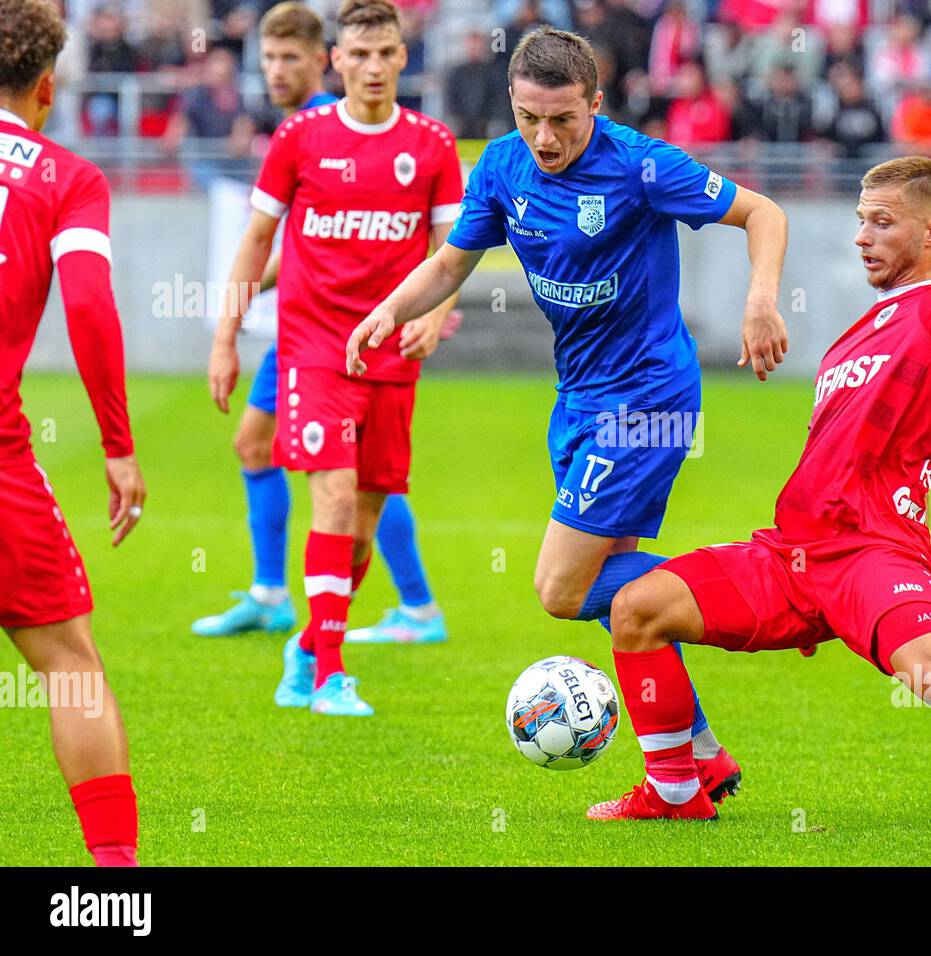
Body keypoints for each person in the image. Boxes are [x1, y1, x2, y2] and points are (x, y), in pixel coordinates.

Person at [585, 157, 931, 839]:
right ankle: (675, 790)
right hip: (788, 558)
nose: (863, 235)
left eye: (883, 222)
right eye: (861, 220)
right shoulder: (855, 335)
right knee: (637, 609)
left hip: (873, 556)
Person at [346, 27, 790, 801]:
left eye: (562, 120)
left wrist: (759, 301)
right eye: (528, 118)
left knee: (559, 588)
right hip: (579, 397)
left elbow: (764, 214)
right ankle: (691, 768)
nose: (544, 138)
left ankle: (764, 592)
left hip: (646, 398)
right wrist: (387, 310)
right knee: (617, 603)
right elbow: (454, 259)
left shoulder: (641, 164)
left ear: (595, 103)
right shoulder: (501, 165)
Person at [207, 0, 463, 715]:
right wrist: (226, 339)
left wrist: (436, 314)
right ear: (338, 61)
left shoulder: (434, 145)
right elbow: (257, 244)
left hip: (392, 351)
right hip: (314, 349)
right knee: (335, 496)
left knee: (364, 519)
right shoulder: (299, 137)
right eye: (361, 55)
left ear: (403, 58)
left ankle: (309, 647)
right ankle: (329, 676)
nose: (374, 67)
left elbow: (454, 256)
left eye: (386, 53)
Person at [0, 0, 147, 864]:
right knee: (67, 661)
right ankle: (113, 880)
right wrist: (119, 446)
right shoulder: (65, 177)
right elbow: (89, 304)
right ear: (49, 87)